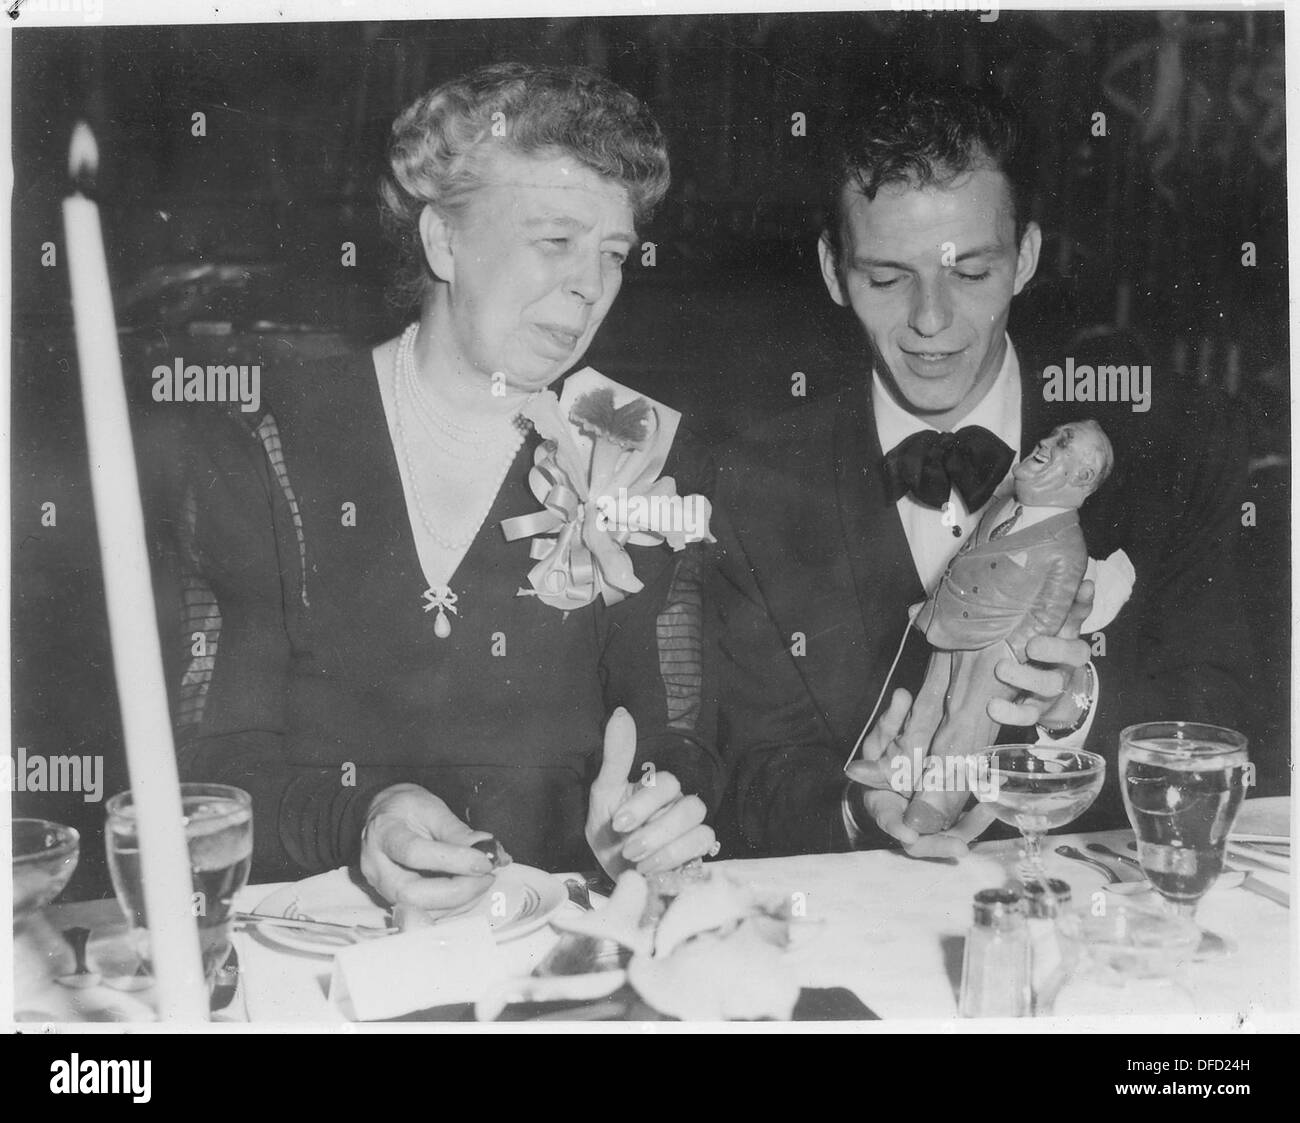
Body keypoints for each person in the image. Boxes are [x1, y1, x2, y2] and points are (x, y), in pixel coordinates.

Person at [155, 63, 719, 913]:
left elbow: (675, 732)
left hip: (552, 954)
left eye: (613, 254)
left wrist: (652, 812)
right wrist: (360, 818)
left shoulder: (629, 450)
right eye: (555, 241)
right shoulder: (266, 446)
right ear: (443, 240)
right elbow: (211, 772)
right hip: (316, 952)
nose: (591, 286)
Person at [711, 78, 1252, 858]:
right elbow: (751, 774)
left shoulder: (1177, 449)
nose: (931, 321)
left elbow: (1234, 710)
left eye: (970, 273)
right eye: (887, 276)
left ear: (1026, 257)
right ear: (833, 271)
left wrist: (1077, 713)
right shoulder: (747, 482)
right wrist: (859, 815)